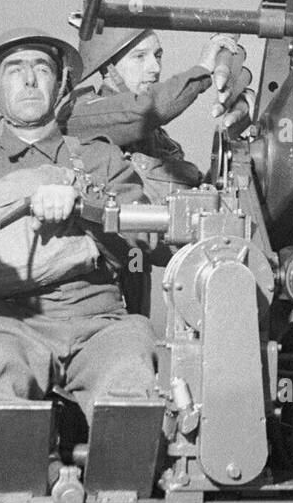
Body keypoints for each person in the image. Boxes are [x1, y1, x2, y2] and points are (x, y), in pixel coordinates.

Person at [0, 28, 156, 464]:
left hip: (100, 323)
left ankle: (122, 494)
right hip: (12, 324)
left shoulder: (102, 159)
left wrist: (85, 204)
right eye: (14, 69)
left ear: (62, 83)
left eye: (41, 68)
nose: (29, 80)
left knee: (129, 375)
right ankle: (16, 486)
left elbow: (142, 237)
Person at [62, 24, 247, 312]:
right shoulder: (86, 114)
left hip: (130, 287)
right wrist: (202, 70)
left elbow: (187, 199)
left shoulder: (154, 138)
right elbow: (140, 112)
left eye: (158, 55)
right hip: (83, 299)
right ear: (108, 68)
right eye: (140, 57)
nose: (154, 67)